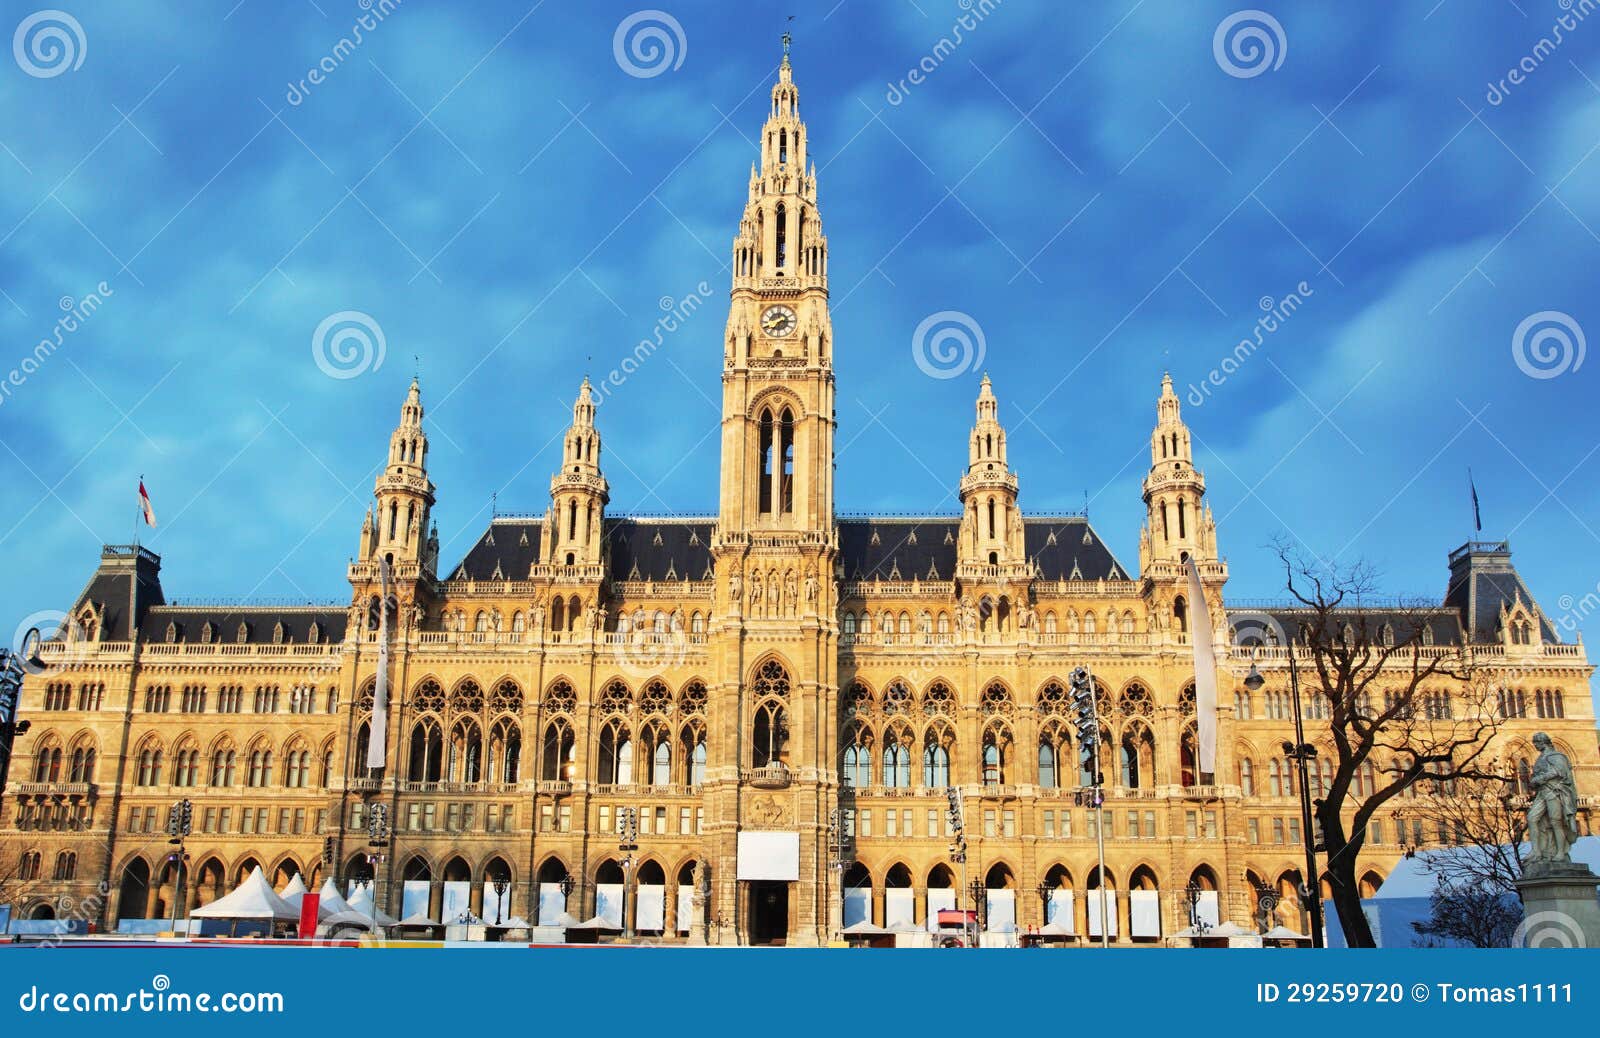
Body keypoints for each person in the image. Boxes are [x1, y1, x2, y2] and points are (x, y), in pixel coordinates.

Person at [1526, 731, 1578, 863]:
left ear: (1543, 742)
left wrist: (1540, 778)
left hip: (1554, 792)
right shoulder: (1541, 757)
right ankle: (1536, 851)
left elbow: (1559, 771)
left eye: (1536, 743)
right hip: (1542, 793)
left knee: (1556, 821)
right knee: (1532, 818)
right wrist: (1534, 781)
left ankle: (1560, 852)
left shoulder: (1556, 756)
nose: (1535, 746)